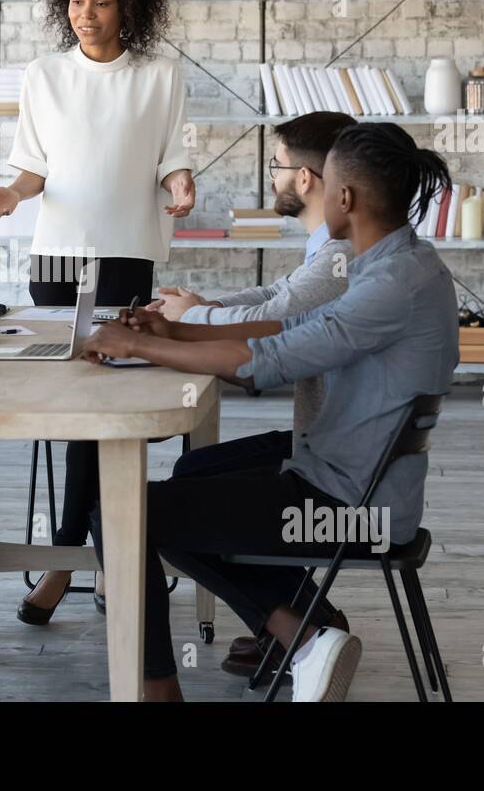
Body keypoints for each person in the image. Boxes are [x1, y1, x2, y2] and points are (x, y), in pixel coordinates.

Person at [83, 123, 460, 701]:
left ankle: (158, 690)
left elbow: (271, 360)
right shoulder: (402, 263)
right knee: (176, 491)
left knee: (123, 513)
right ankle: (305, 638)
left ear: (344, 198)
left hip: (351, 511)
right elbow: (295, 326)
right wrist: (172, 328)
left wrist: (139, 346)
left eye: (324, 182)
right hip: (357, 486)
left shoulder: (391, 283)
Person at [0, 0, 195, 624]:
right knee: (79, 417)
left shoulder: (160, 77)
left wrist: (182, 184)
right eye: (75, 2)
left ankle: (71, 566)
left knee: (103, 420)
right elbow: (34, 169)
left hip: (128, 257)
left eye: (100, 2)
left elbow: (171, 164)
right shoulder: (43, 75)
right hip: (58, 262)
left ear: (127, 5)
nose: (86, 15)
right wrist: (12, 195)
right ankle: (104, 566)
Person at [152, 111, 357, 677]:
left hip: (337, 473)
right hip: (336, 447)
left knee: (142, 511)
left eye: (277, 165)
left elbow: (277, 318)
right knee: (192, 474)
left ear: (306, 179)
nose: (272, 176)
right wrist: (200, 307)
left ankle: (297, 632)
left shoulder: (343, 258)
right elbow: (278, 294)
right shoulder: (333, 249)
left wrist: (193, 317)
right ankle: (310, 621)